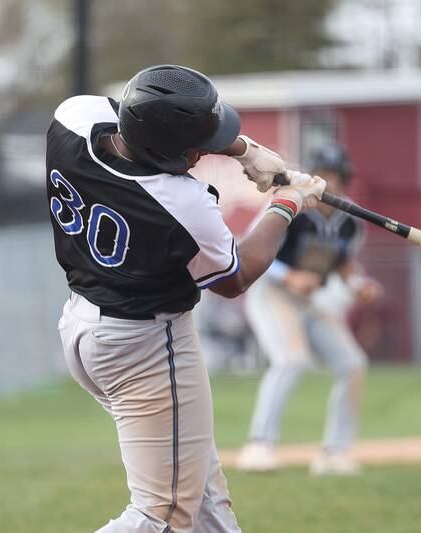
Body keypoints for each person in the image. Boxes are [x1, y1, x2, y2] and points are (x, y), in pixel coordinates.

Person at [46, 64, 325, 533]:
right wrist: (286, 204)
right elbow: (235, 277)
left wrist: (246, 151)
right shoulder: (180, 204)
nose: (202, 153)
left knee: (202, 492)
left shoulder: (73, 119)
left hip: (85, 328)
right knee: (163, 513)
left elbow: (144, 120)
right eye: (196, 146)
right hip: (145, 346)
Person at [236, 144, 382, 476]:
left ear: (344, 180)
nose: (327, 182)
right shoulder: (292, 202)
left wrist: (360, 286)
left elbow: (344, 266)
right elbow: (248, 250)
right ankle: (259, 445)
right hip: (272, 292)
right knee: (291, 358)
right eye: (322, 175)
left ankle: (334, 453)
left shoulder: (350, 221)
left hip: (309, 300)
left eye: (334, 176)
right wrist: (290, 275)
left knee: (352, 363)